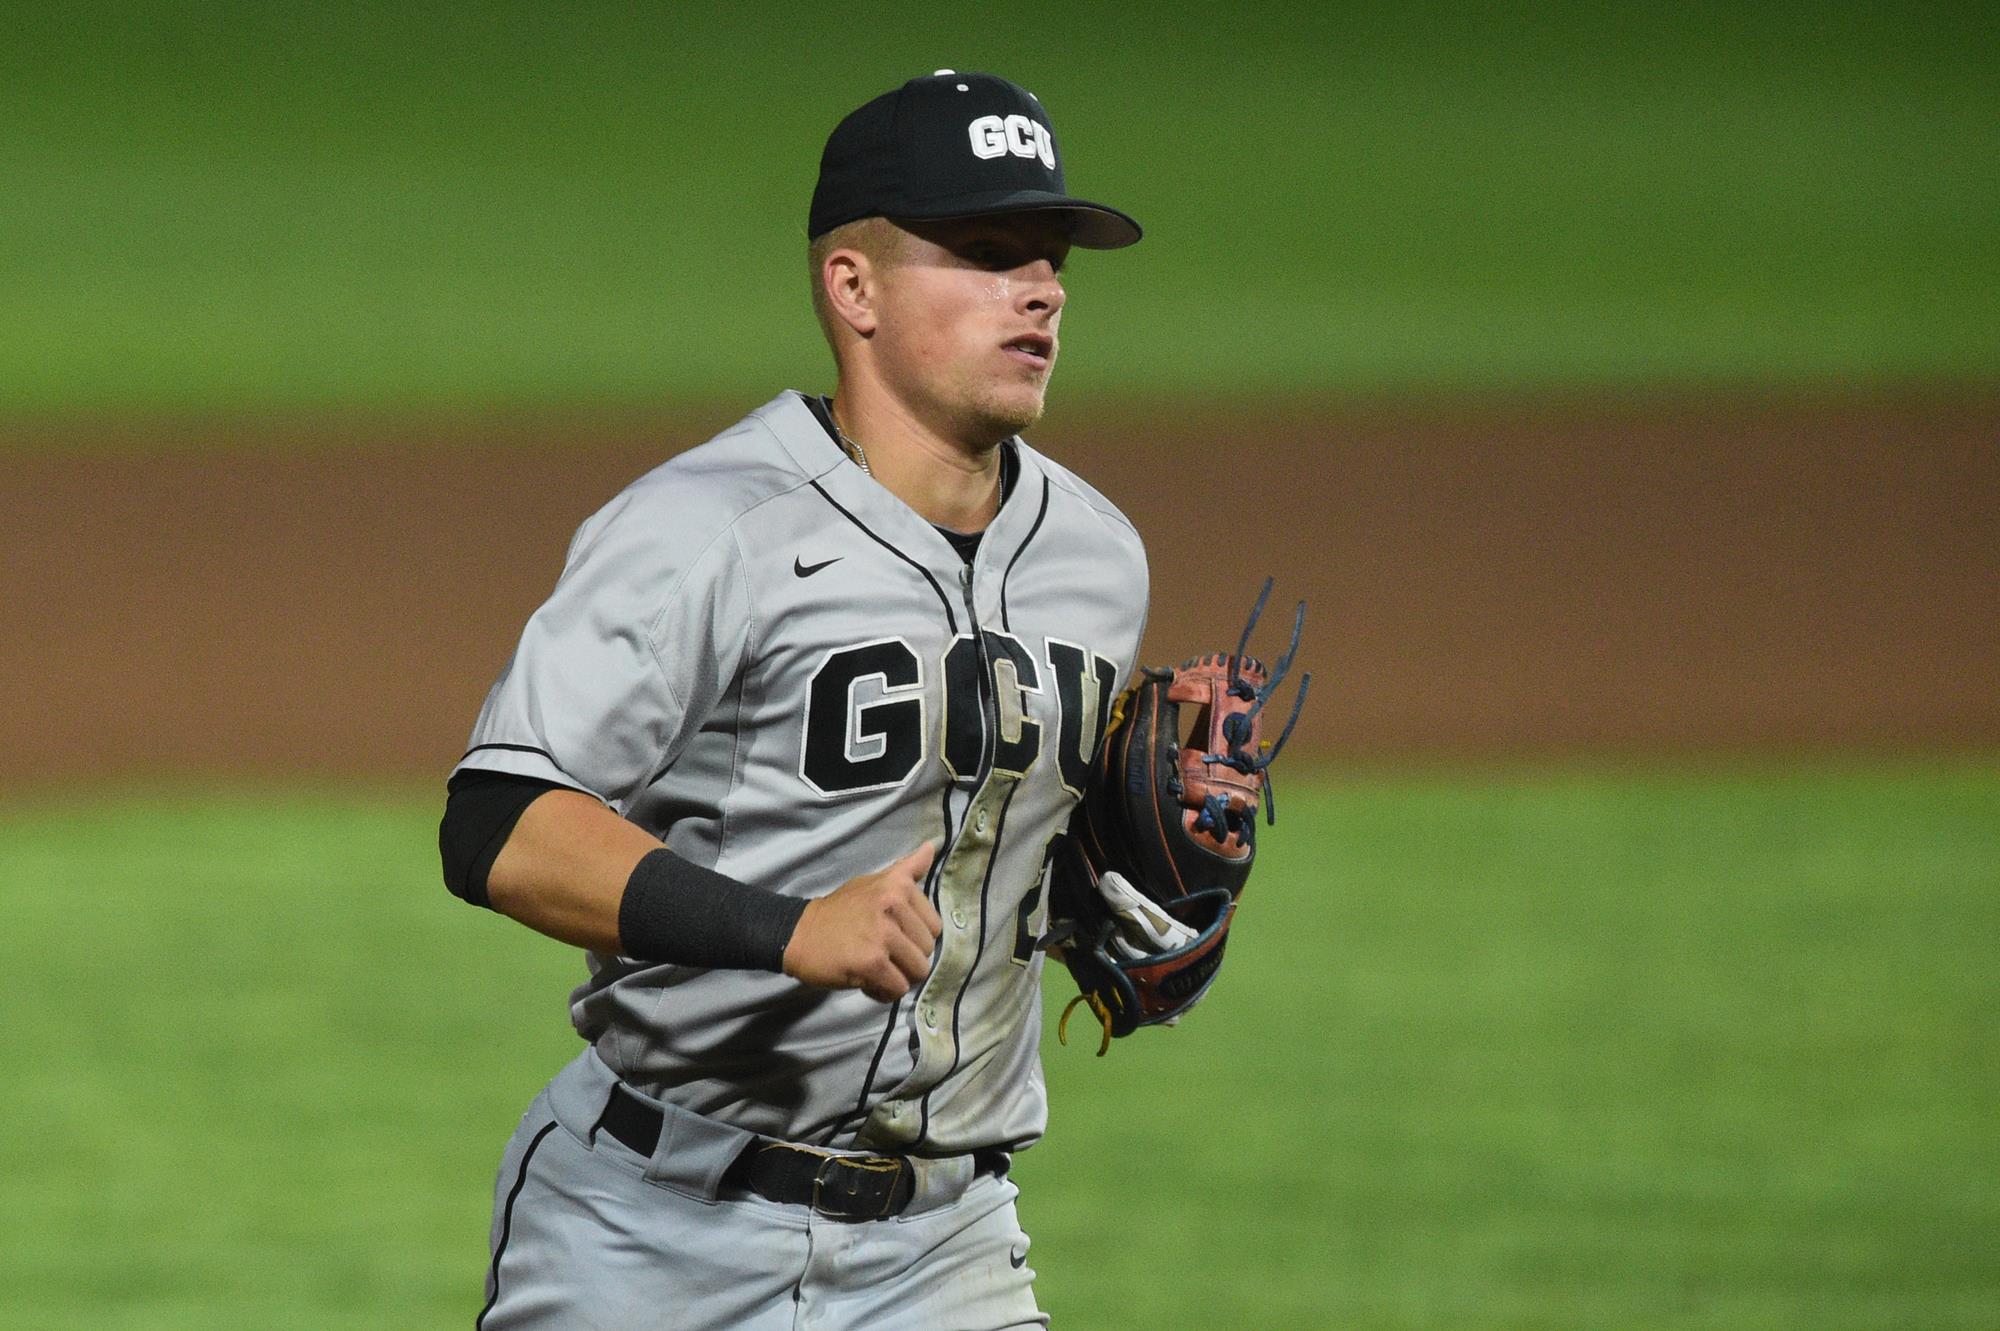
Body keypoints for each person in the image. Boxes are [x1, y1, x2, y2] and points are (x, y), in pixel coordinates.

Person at [438, 69, 1146, 1329]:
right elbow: (497, 823)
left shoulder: (1097, 557)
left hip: (946, 1245)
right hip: (647, 1230)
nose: (1038, 289)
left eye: (1049, 259)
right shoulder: (706, 527)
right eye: (986, 254)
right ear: (853, 287)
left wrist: (1134, 902)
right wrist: (789, 929)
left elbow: (1019, 856)